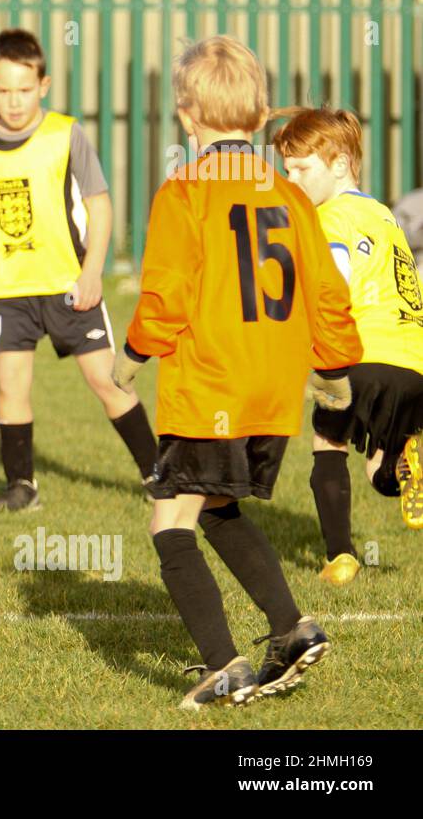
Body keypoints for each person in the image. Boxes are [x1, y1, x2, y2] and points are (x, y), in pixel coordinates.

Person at [113, 36, 362, 709]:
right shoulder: (288, 194)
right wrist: (335, 372)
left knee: (169, 521)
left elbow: (165, 298)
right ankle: (290, 628)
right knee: (219, 506)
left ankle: (224, 665)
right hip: (272, 395)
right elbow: (329, 296)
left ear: (187, 116)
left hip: (211, 388)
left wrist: (129, 358)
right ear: (258, 118)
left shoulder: (183, 193)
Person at [0, 28, 158, 512]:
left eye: (24, 90)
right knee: (10, 387)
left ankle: (156, 473)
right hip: (9, 291)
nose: (14, 100)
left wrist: (92, 271)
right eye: (3, 90)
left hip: (69, 286)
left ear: (43, 85)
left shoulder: (65, 135)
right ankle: (21, 486)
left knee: (107, 381)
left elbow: (100, 205)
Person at [273, 106, 423, 550]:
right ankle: (407, 458)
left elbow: (332, 280)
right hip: (414, 361)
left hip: (359, 355)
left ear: (339, 165)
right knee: (381, 472)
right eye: (286, 169)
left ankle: (340, 555)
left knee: (327, 442)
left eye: (301, 168)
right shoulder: (385, 216)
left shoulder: (330, 217)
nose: (292, 179)